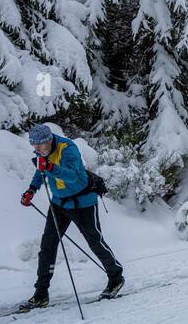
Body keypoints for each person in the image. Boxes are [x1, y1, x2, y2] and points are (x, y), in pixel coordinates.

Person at [19, 123, 124, 310]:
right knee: (47, 247)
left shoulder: (68, 149)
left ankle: (116, 277)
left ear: (48, 141)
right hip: (59, 203)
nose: (35, 149)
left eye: (38, 146)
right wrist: (31, 189)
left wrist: (50, 167)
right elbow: (40, 170)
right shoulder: (42, 152)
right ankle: (41, 294)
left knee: (94, 241)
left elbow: (73, 176)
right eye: (33, 146)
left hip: (83, 203)